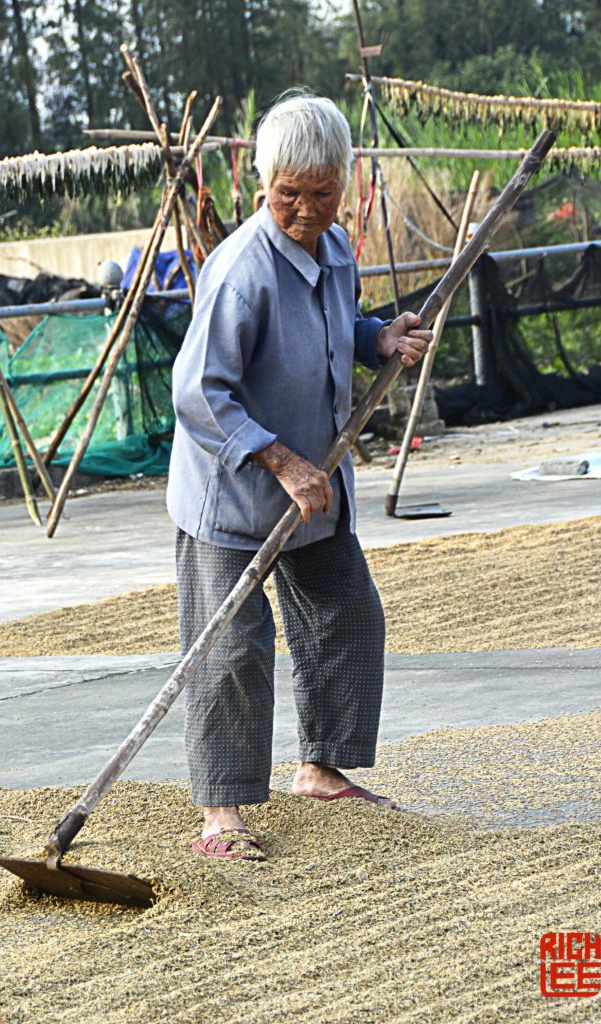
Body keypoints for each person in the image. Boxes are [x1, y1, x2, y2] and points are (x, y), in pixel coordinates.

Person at [166, 94, 432, 860]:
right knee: (232, 647)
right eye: (291, 195)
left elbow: (331, 324)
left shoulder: (336, 249)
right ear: (262, 187)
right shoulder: (239, 274)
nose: (307, 210)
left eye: (322, 193)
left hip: (314, 483)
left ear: (342, 186)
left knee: (346, 614)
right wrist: (277, 460)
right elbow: (197, 393)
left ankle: (319, 769)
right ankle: (221, 813)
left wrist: (377, 337)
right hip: (235, 490)